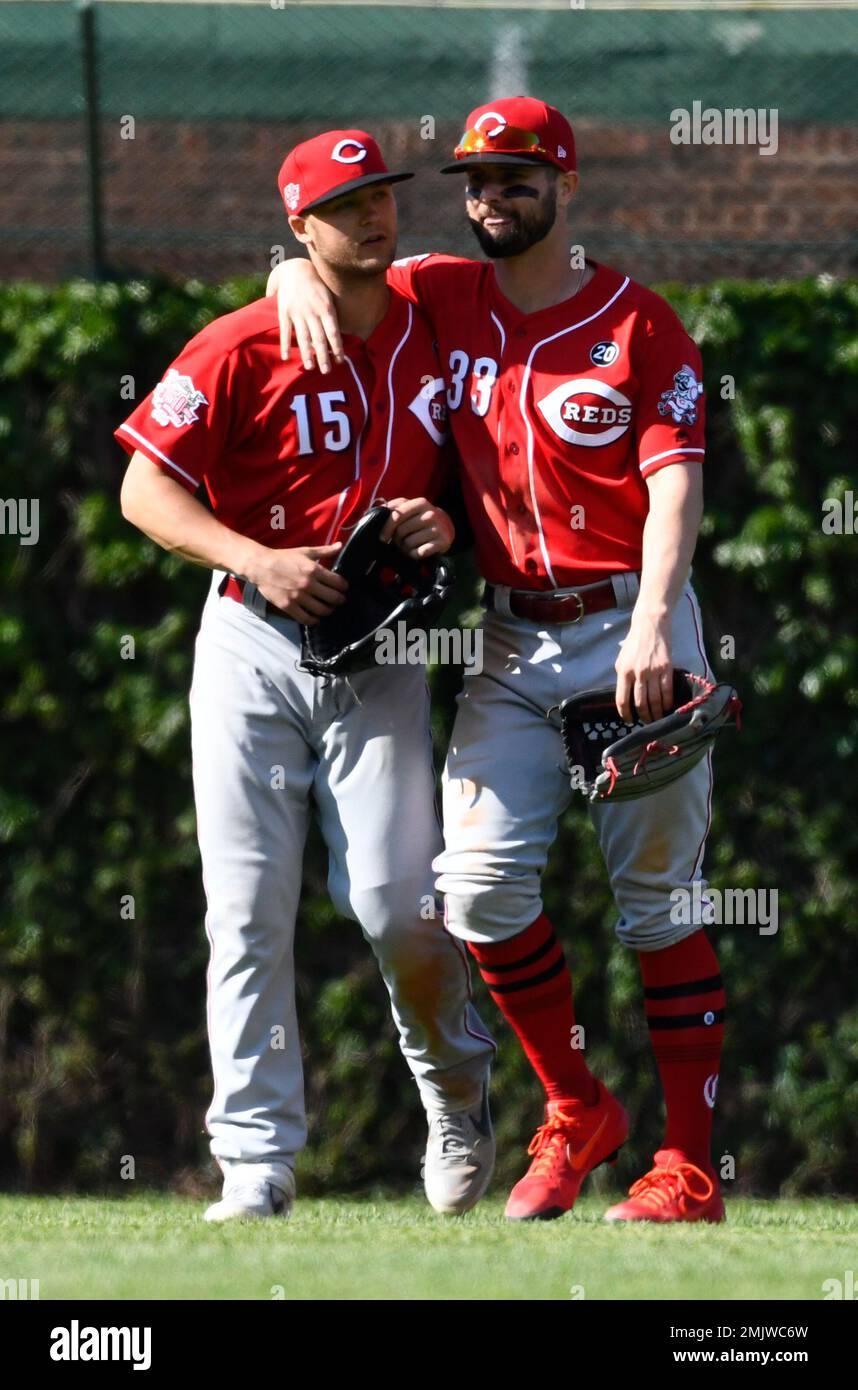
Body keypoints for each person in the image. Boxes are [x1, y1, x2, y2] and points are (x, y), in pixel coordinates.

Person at [268, 97, 726, 1225]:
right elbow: (334, 261)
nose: (491, 199)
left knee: (659, 900)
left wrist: (653, 626)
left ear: (565, 186)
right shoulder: (442, 293)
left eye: (516, 179)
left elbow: (676, 486)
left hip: (634, 618)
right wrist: (283, 277)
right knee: (473, 887)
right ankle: (576, 1106)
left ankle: (691, 1170)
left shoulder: (640, 324)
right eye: (476, 182)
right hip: (515, 634)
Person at [115, 129, 496, 1223]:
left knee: (395, 903)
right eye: (344, 204)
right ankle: (256, 1163)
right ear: (299, 225)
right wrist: (255, 555)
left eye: (380, 193)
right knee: (244, 911)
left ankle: (455, 1092)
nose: (373, 215)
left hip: (379, 651)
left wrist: (445, 522)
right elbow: (146, 491)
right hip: (250, 640)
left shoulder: (437, 321)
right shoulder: (244, 341)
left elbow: (491, 478)